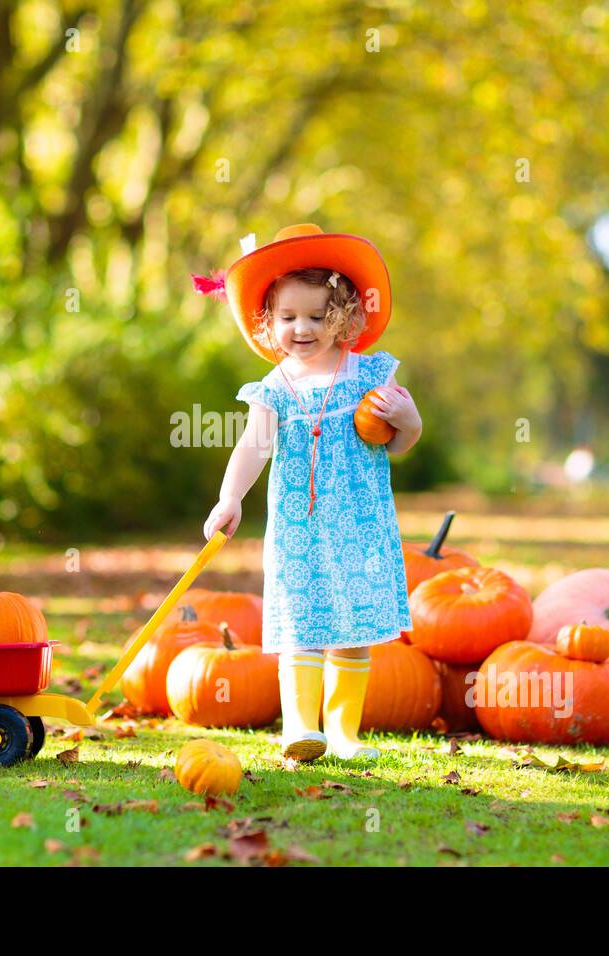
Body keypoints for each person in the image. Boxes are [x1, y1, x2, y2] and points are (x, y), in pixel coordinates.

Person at [196, 224, 421, 761]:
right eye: (289, 317)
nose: (303, 328)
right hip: (300, 526)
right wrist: (231, 497)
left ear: (342, 314)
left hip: (360, 523)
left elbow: (399, 445)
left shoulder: (370, 375)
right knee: (301, 620)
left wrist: (408, 422)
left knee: (352, 626)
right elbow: (253, 446)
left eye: (318, 316)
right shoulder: (275, 387)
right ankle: (299, 728)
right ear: (269, 320)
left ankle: (344, 734)